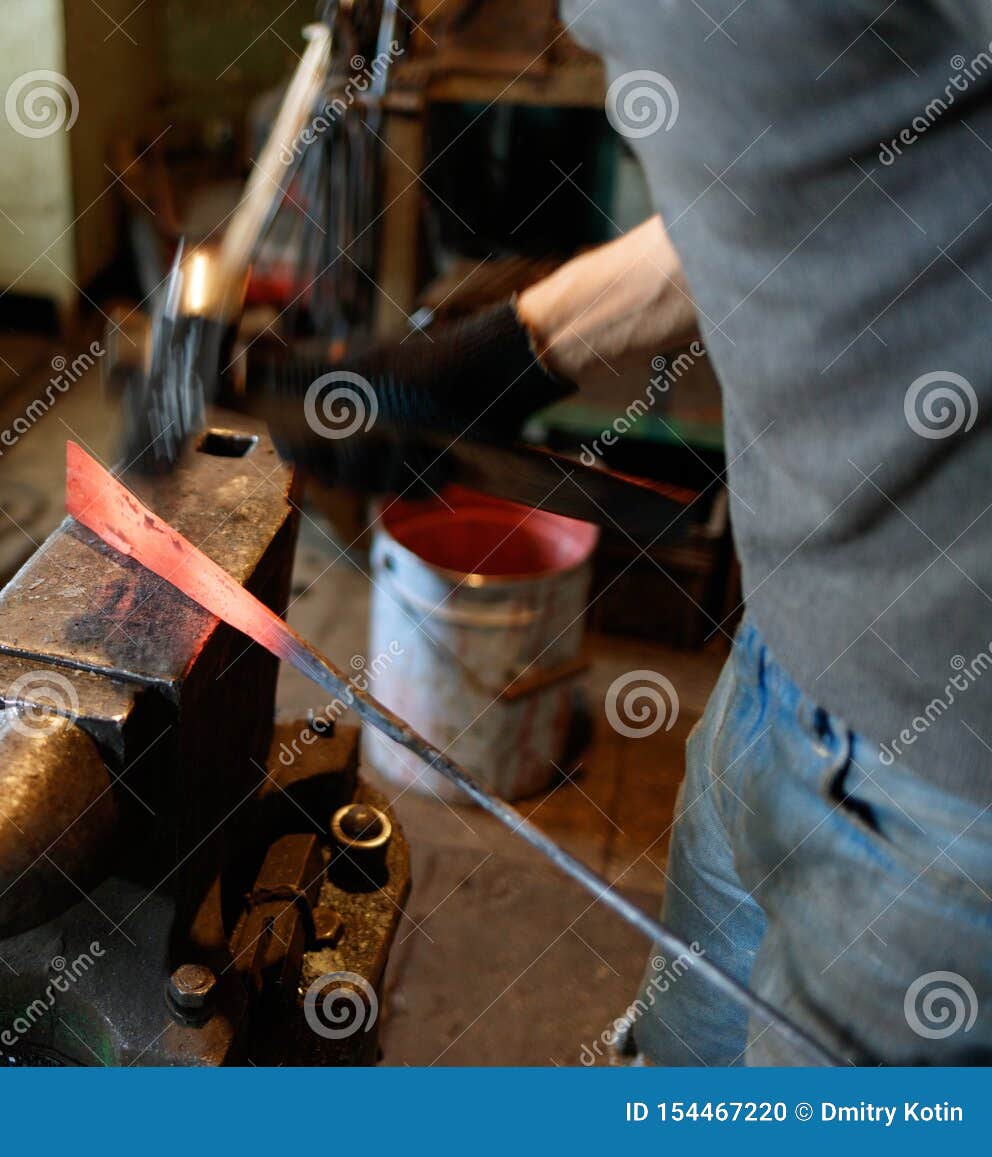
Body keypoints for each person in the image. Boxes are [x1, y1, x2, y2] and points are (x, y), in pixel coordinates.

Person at [265, 2, 992, 1064]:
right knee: (674, 1066)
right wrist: (500, 357)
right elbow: (816, 179)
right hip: (781, 656)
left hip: (951, 794)